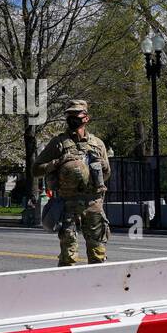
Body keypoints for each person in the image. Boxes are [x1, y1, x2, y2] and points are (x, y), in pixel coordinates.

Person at [34, 100, 111, 266]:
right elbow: (36, 169)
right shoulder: (59, 143)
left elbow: (106, 174)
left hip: (93, 203)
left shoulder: (97, 144)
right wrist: (56, 163)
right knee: (68, 254)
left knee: (98, 252)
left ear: (86, 118)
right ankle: (68, 287)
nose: (72, 119)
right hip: (67, 203)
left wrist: (104, 165)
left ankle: (98, 287)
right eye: (69, 116)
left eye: (76, 115)